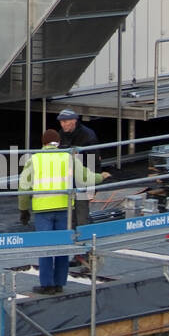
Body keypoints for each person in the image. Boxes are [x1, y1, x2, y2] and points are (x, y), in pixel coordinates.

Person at [18, 129, 110, 294]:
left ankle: (47, 285)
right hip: (64, 209)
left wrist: (23, 210)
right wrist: (101, 177)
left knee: (45, 247)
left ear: (43, 143)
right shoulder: (68, 157)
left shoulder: (35, 159)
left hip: (43, 210)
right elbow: (85, 178)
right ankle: (59, 283)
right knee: (62, 246)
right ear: (58, 143)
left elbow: (24, 187)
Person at [57, 109, 100, 261]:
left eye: (66, 121)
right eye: (61, 122)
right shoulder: (61, 135)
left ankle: (86, 253)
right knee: (72, 218)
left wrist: (92, 187)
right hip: (68, 181)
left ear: (74, 121)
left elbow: (94, 162)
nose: (63, 124)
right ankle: (77, 253)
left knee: (82, 217)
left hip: (82, 181)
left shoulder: (87, 136)